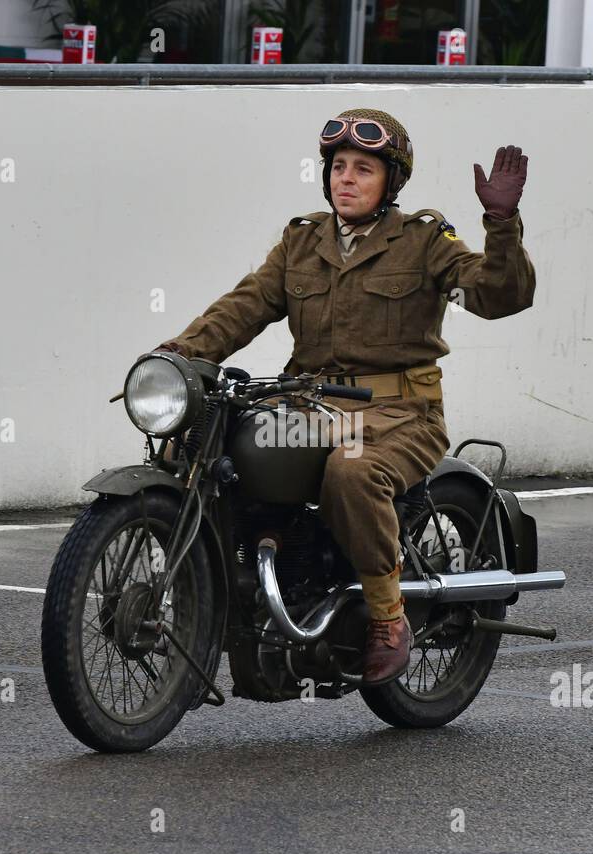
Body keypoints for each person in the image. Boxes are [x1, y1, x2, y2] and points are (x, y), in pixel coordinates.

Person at [154, 108, 535, 686]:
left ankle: (387, 617)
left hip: (400, 414)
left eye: (363, 168)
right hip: (309, 407)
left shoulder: (423, 242)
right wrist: (181, 353)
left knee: (352, 473)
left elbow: (496, 295)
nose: (346, 179)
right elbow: (246, 304)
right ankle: (251, 586)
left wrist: (501, 222)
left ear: (391, 181)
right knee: (217, 442)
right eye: (337, 167)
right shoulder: (302, 241)